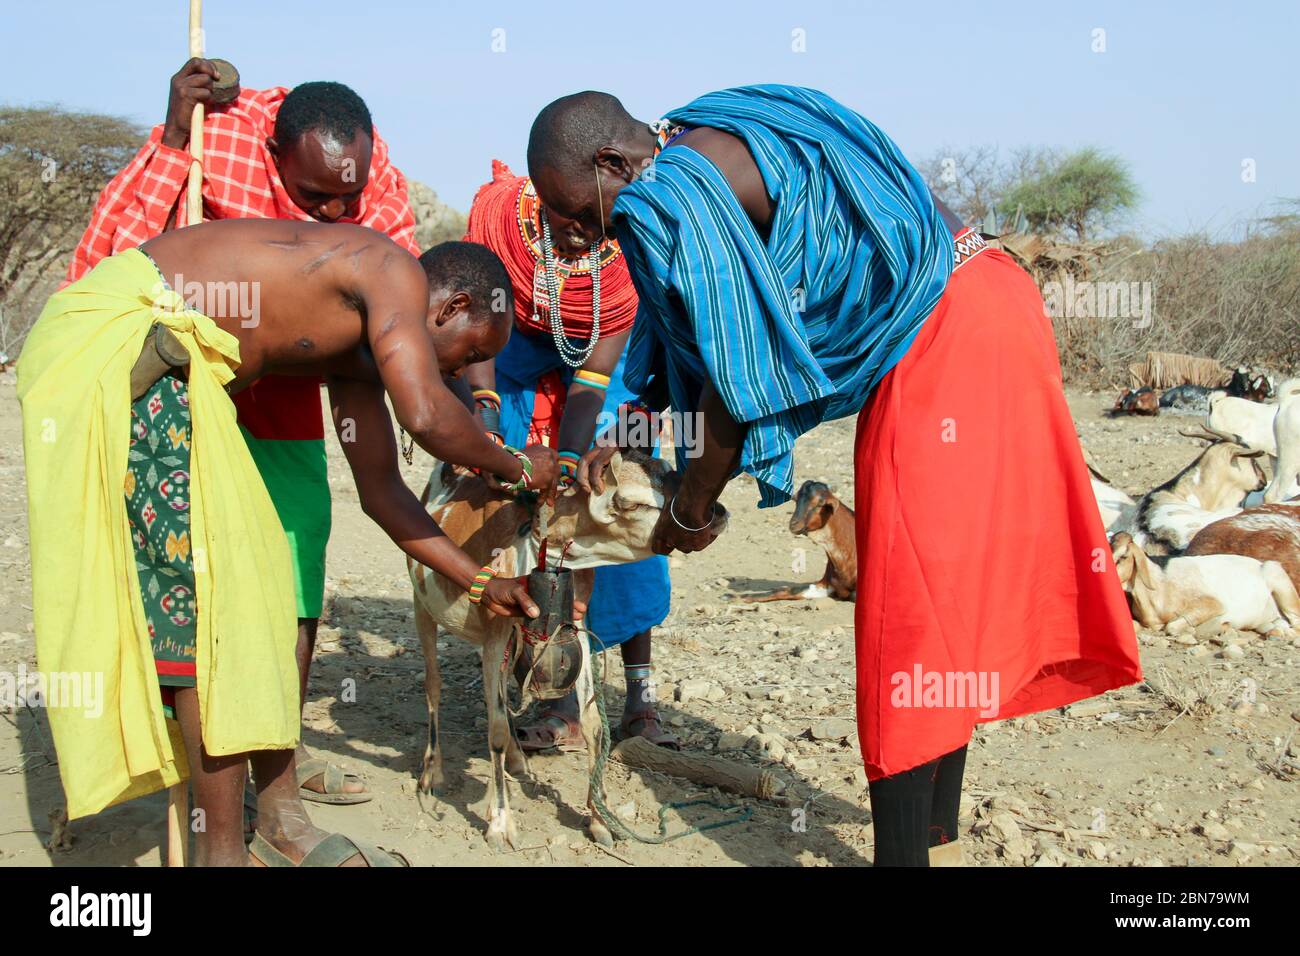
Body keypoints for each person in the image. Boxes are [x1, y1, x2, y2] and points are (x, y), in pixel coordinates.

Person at [526, 86, 1143, 866]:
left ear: (612, 161)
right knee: (938, 608)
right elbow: (691, 326)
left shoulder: (677, 187)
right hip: (995, 300)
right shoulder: (704, 130)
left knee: (907, 618)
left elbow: (737, 375)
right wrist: (638, 420)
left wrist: (688, 511)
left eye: (577, 210)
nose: (580, 232)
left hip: (946, 334)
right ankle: (935, 848)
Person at [19, 218, 557, 865]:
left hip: (165, 373)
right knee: (211, 615)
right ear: (451, 306)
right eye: (470, 354)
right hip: (129, 347)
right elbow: (427, 416)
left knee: (262, 592)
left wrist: (481, 582)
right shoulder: (393, 271)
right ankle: (219, 853)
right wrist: (519, 465)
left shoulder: (355, 358)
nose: (463, 374)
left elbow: (384, 492)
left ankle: (271, 825)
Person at [65, 62, 420, 804]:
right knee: (190, 593)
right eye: (312, 195)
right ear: (271, 156)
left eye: (343, 198)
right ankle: (191, 766)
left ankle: (277, 765)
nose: (331, 212)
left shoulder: (376, 178)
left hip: (288, 405)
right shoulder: (210, 135)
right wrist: (171, 132)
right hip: (186, 403)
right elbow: (101, 270)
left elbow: (387, 302)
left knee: (292, 585)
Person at [461, 160, 677, 750]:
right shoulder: (497, 221)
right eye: (569, 214)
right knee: (534, 525)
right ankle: (556, 693)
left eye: (593, 217)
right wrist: (482, 412)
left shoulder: (639, 234)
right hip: (513, 375)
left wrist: (587, 447)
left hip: (615, 374)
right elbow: (474, 319)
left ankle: (640, 695)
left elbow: (608, 371)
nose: (581, 228)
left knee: (620, 508)